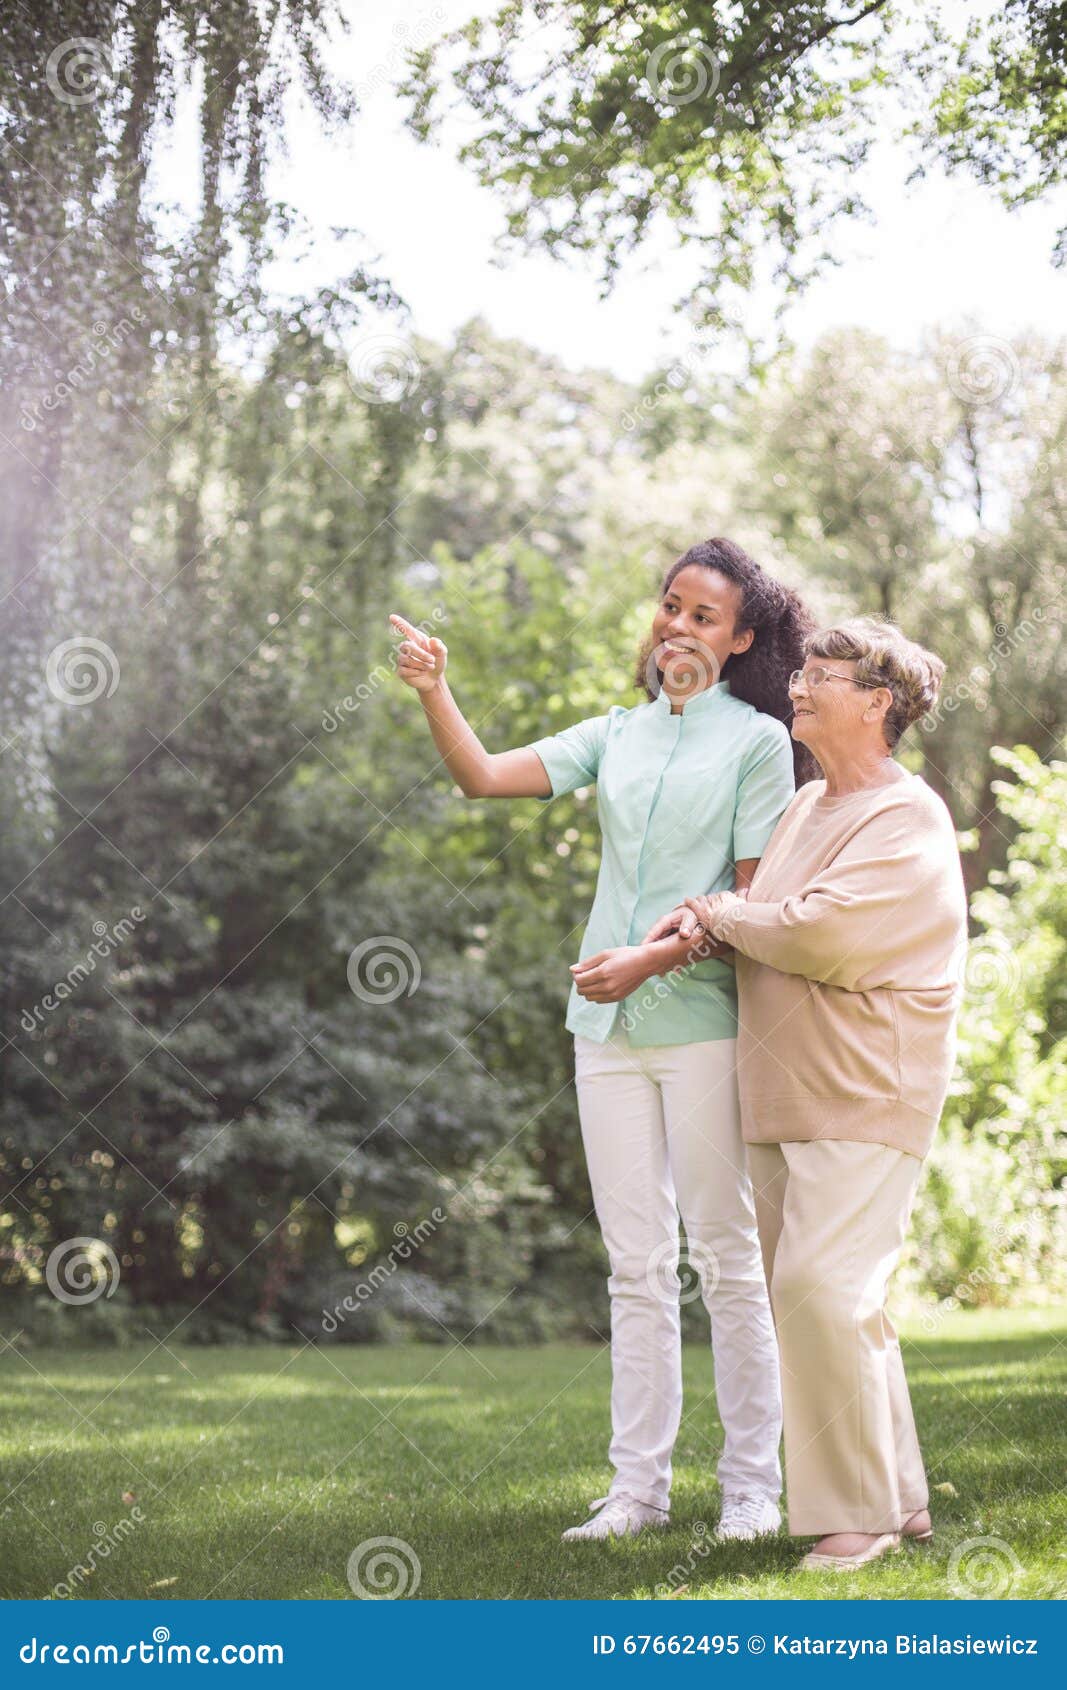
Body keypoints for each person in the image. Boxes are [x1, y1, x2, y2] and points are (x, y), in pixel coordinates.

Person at [390, 538, 815, 1544]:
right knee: (632, 1263)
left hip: (704, 1021)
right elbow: (483, 776)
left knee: (723, 1259)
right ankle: (637, 1491)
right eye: (671, 605)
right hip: (603, 1027)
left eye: (702, 615)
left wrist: (650, 959)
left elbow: (748, 899)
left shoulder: (755, 742)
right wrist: (434, 689)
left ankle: (752, 1488)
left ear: (740, 638)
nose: (677, 625)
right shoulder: (616, 732)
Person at [645, 616, 968, 1571]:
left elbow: (820, 932)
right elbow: (765, 919)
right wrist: (716, 922)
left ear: (878, 704)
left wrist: (721, 912)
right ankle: (900, 1498)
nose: (798, 682)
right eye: (804, 669)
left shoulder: (906, 817)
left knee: (819, 1290)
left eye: (823, 674)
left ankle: (852, 1518)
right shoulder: (803, 807)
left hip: (866, 1092)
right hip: (783, 1095)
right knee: (837, 1304)